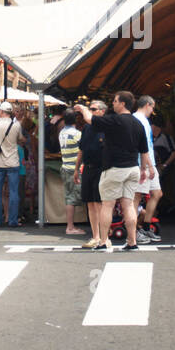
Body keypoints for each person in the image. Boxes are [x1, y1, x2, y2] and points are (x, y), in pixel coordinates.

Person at [80, 92, 150, 251]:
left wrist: (83, 108)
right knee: (128, 205)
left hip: (114, 168)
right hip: (133, 168)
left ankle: (103, 241)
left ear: (123, 103)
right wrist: (144, 169)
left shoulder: (115, 120)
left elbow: (90, 119)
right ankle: (132, 241)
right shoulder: (138, 124)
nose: (113, 103)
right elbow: (144, 151)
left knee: (107, 205)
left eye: (115, 101)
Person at [74, 100, 107, 249]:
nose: (91, 112)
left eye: (93, 109)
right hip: (88, 167)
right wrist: (76, 168)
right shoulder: (87, 128)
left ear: (102, 111)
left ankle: (104, 236)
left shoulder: (106, 127)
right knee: (90, 203)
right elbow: (81, 149)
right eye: (90, 109)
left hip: (102, 168)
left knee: (99, 203)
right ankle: (95, 236)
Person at [133, 95, 163, 242]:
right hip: (142, 163)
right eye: (152, 107)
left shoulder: (141, 120)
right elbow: (143, 146)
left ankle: (145, 227)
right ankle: (134, 232)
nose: (153, 110)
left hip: (146, 162)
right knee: (136, 198)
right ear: (148, 105)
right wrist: (147, 166)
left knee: (157, 193)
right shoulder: (141, 121)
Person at [0, 102, 22, 229]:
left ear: (2, 111)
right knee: (14, 192)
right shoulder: (16, 125)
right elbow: (19, 139)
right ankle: (13, 220)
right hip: (13, 161)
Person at [58, 109, 85, 236]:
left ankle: (70, 226)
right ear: (76, 120)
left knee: (69, 197)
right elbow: (83, 150)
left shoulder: (62, 132)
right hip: (75, 169)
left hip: (65, 167)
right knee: (72, 198)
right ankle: (70, 227)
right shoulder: (77, 134)